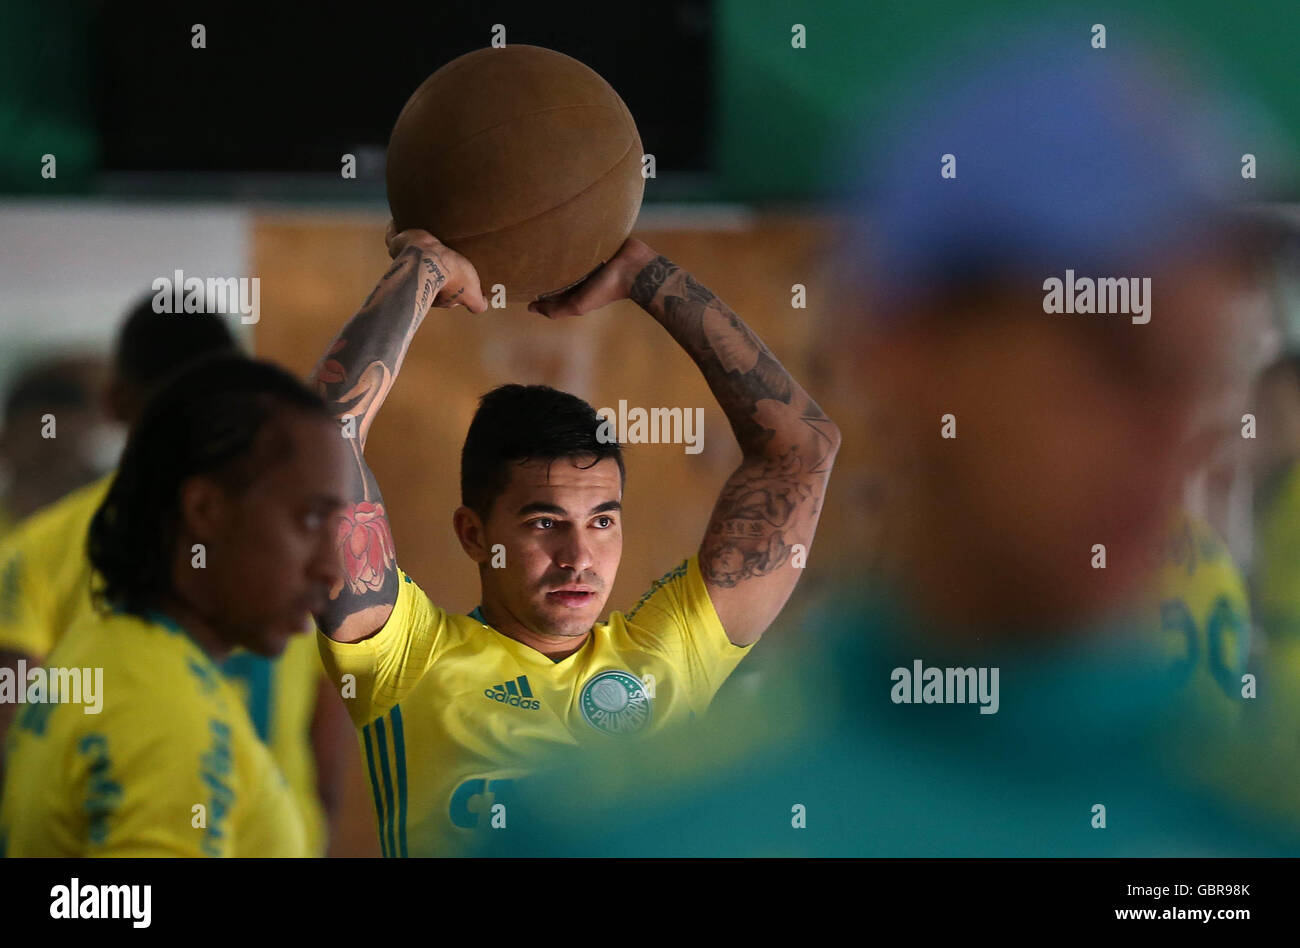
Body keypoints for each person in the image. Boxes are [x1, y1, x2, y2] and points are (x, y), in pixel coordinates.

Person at [309, 223, 840, 856]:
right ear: (474, 534)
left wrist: (649, 277)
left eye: (602, 521)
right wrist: (419, 272)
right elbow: (317, 440)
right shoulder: (404, 659)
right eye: (544, 523)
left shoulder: (668, 658)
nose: (579, 557)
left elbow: (802, 449)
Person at [0, 296, 353, 854]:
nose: (331, 567)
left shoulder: (109, 650)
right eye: (309, 518)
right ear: (206, 510)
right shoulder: (166, 718)